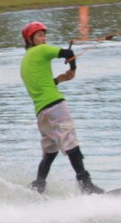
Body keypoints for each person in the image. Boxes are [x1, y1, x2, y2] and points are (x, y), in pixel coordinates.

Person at [20, 20, 103, 195]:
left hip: (41, 112)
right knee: (71, 142)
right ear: (30, 39)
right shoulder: (42, 50)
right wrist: (73, 69)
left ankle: (39, 186)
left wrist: (60, 79)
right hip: (56, 106)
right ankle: (85, 185)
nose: (44, 38)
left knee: (50, 151)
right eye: (39, 35)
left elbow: (45, 85)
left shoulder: (26, 61)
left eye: (44, 35)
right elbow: (68, 52)